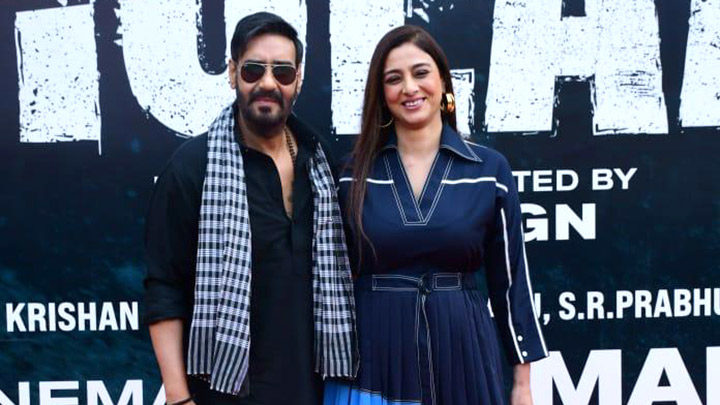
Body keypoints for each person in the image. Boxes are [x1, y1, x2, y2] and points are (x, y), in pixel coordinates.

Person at [324, 25, 548, 405]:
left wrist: (522, 384)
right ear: (381, 94)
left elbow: (511, 286)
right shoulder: (350, 174)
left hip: (464, 351)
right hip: (373, 357)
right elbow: (328, 285)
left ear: (443, 80)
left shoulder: (489, 170)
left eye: (421, 73)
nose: (409, 88)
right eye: (394, 79)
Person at [144, 12, 357, 405]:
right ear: (232, 73)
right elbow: (164, 287)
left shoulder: (320, 161)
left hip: (311, 389)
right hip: (224, 392)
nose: (268, 83)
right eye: (253, 69)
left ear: (298, 79)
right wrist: (177, 397)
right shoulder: (192, 167)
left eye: (283, 72)